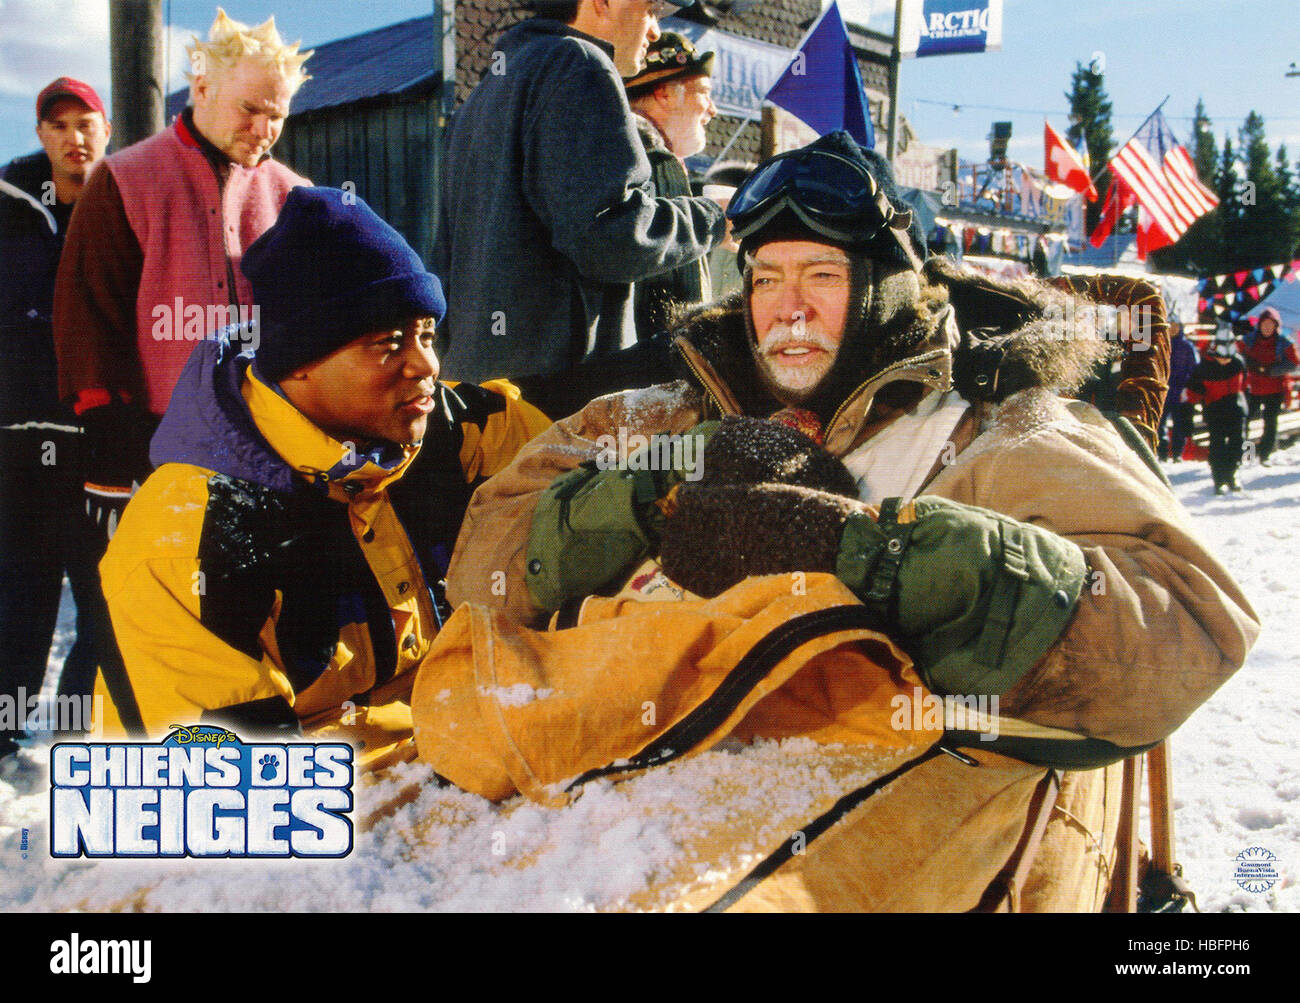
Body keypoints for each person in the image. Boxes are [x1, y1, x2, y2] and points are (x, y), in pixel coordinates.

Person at [434, 132, 1258, 910]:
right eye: (765, 279)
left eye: (821, 277)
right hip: (608, 811)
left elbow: (1189, 618)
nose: (787, 311)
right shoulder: (667, 415)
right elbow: (484, 570)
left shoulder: (996, 426)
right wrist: (666, 483)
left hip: (851, 832)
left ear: (883, 286)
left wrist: (869, 552)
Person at [90, 188, 549, 762]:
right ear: (298, 363)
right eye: (388, 343)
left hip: (446, 743)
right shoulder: (185, 536)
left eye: (427, 334)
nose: (427, 364)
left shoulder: (462, 431)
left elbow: (596, 459)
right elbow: (220, 797)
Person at [52, 8, 313, 543]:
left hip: (272, 445)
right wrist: (108, 451)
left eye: (278, 115)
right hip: (157, 446)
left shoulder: (294, 195)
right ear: (201, 87)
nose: (264, 130)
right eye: (250, 109)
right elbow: (88, 318)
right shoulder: (122, 179)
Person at [433, 0, 725, 413]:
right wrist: (714, 217)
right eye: (652, 10)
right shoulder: (579, 62)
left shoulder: (483, 96)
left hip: (479, 401)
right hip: (560, 400)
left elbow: (446, 267)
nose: (656, 30)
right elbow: (612, 237)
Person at [0, 78, 111, 758]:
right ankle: (4, 726)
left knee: (103, 595)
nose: (74, 136)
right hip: (18, 439)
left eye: (85, 123)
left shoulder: (127, 208)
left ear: (106, 130)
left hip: (103, 442)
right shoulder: (6, 210)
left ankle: (80, 726)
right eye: (59, 125)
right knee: (20, 590)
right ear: (42, 135)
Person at [624, 30, 718, 338]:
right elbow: (671, 295)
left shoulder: (622, 150)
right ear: (664, 93)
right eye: (704, 92)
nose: (712, 110)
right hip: (643, 370)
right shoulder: (649, 158)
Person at [1187, 327, 1249, 494]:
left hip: (1236, 409)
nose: (1225, 361)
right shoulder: (1204, 367)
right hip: (1216, 411)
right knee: (1218, 445)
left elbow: (1244, 384)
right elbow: (1193, 390)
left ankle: (1233, 474)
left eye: (1228, 358)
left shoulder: (1238, 363)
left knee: (1238, 442)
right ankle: (1219, 479)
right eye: (1222, 358)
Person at [1238, 307, 1298, 465]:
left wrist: (1272, 370)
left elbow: (1293, 363)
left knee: (1270, 423)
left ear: (1276, 326)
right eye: (1265, 324)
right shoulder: (1248, 340)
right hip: (1252, 388)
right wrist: (1250, 365)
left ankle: (1265, 455)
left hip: (1275, 388)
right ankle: (1247, 453)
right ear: (1259, 325)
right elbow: (1237, 356)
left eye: (1271, 324)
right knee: (1245, 421)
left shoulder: (1284, 342)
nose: (1267, 327)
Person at [1159, 319, 1198, 462]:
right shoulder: (1161, 344)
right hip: (1163, 389)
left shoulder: (1187, 346)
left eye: (1176, 326)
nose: (1173, 329)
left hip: (1180, 390)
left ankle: (1177, 454)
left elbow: (1194, 368)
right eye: (1170, 326)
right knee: (1160, 423)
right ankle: (1161, 453)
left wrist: (1188, 388)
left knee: (1179, 424)